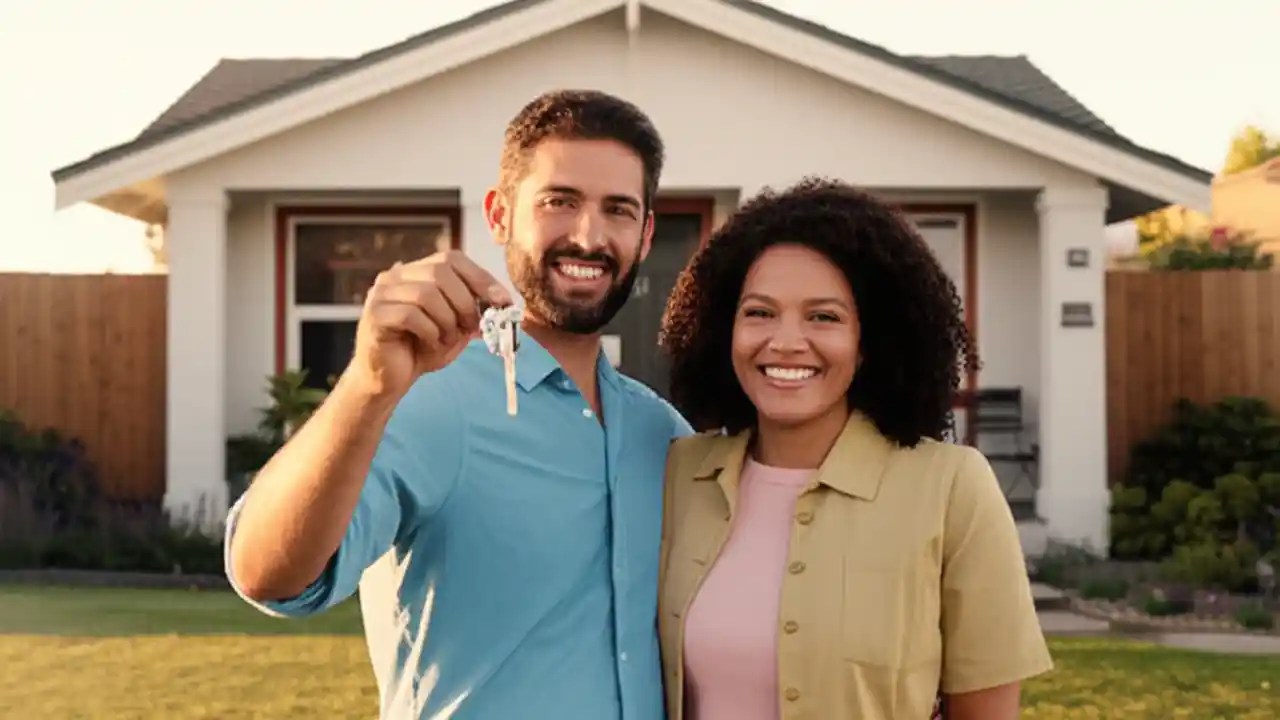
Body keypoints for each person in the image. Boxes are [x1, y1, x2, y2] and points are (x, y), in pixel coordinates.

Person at [225, 89, 691, 720]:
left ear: (645, 235)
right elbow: (266, 574)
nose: (589, 235)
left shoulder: (662, 435)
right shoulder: (430, 399)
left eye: (618, 210)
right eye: (560, 201)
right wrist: (367, 384)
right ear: (499, 215)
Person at [655, 178, 1052, 720]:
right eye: (759, 312)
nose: (786, 341)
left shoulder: (951, 487)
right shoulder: (680, 472)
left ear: (870, 343)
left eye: (824, 316)